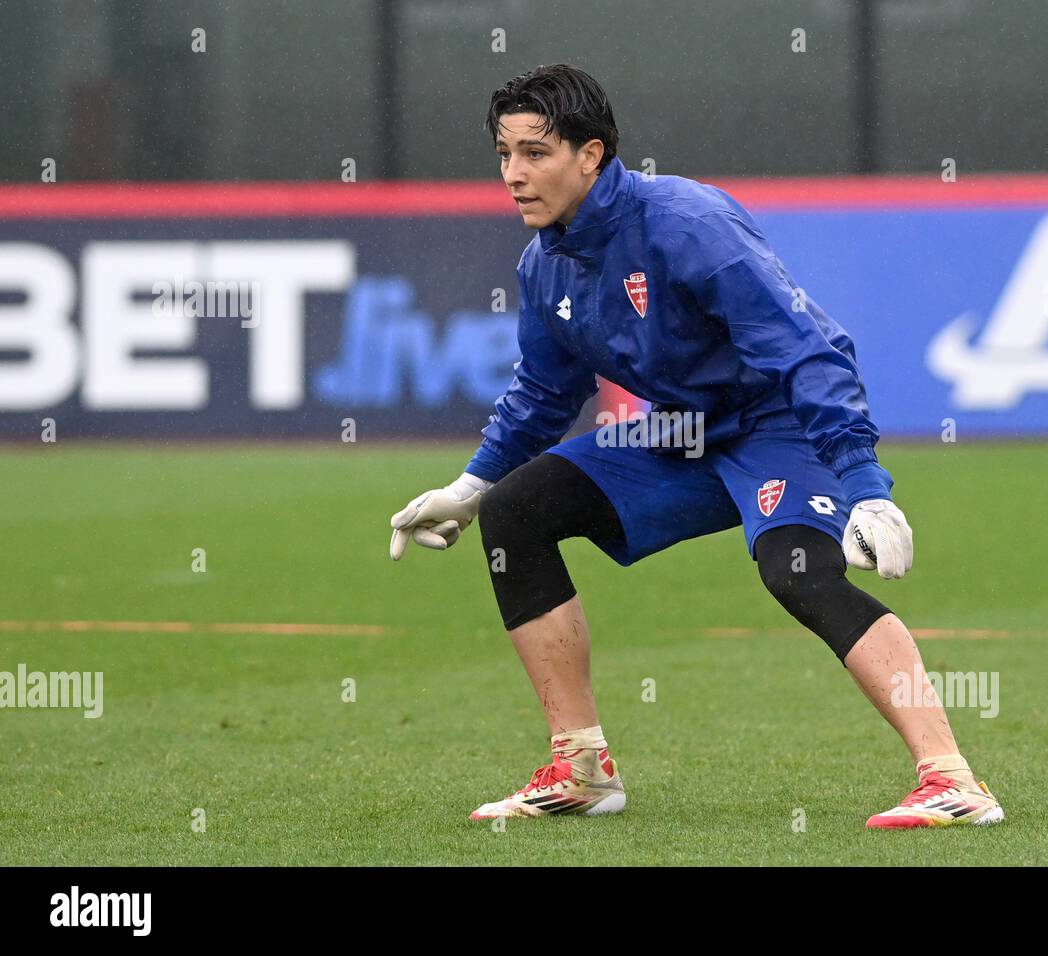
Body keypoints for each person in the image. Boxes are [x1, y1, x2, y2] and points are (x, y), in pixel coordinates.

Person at [389, 63, 1003, 829]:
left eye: (535, 153)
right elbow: (546, 394)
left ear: (592, 154)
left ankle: (952, 779)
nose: (513, 175)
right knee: (517, 514)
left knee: (799, 571)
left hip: (778, 425)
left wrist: (866, 484)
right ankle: (582, 771)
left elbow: (809, 352)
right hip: (683, 433)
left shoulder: (685, 222)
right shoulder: (545, 263)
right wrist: (472, 487)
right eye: (504, 154)